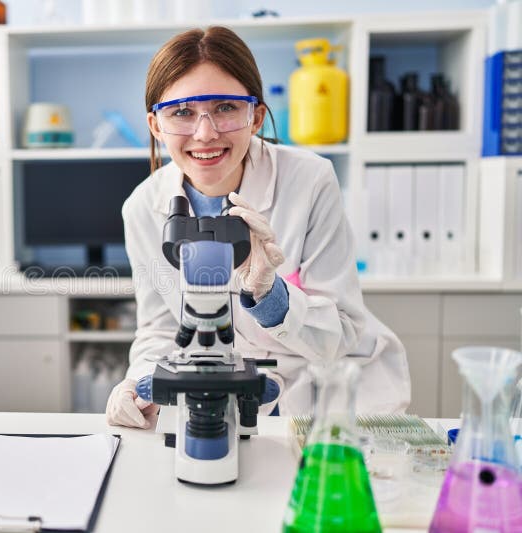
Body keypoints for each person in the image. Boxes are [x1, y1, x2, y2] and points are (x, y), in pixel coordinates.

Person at [106, 26, 411, 429]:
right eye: (182, 112)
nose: (205, 133)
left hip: (326, 389)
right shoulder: (143, 207)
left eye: (226, 108)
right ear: (156, 126)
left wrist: (271, 296)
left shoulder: (310, 180)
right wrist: (137, 383)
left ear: (256, 117)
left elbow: (342, 329)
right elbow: (161, 328)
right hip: (226, 395)